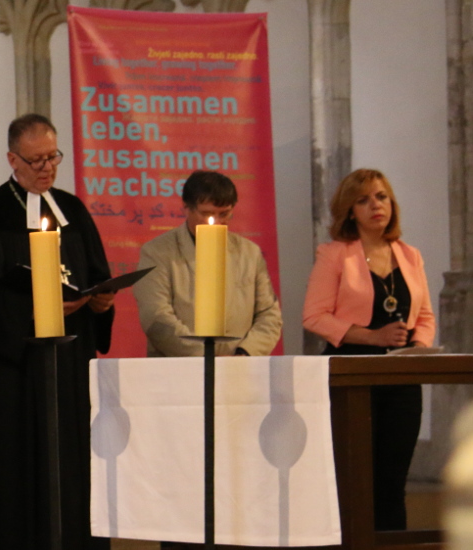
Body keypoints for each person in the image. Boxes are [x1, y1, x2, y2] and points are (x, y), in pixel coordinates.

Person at [0, 114, 114, 550]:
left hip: (68, 364)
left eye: (53, 157)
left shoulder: (74, 211)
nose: (47, 168)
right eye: (36, 160)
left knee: (70, 466)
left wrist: (101, 303)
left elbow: (97, 274)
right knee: (18, 472)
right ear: (12, 159)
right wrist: (37, 312)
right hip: (13, 373)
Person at [304, 168, 436, 531]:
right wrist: (373, 337)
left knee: (392, 483)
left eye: (381, 197)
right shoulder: (335, 254)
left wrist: (418, 350)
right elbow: (314, 317)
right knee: (352, 481)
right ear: (349, 211)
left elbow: (423, 316)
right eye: (363, 200)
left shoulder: (410, 255)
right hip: (351, 378)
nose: (375, 205)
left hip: (402, 379)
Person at [134, 171, 282, 357]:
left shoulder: (249, 253)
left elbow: (268, 314)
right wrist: (205, 358)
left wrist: (245, 352)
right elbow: (156, 316)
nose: (216, 222)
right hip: (179, 367)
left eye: (224, 214)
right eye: (206, 214)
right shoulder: (158, 252)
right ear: (186, 207)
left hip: (238, 367)